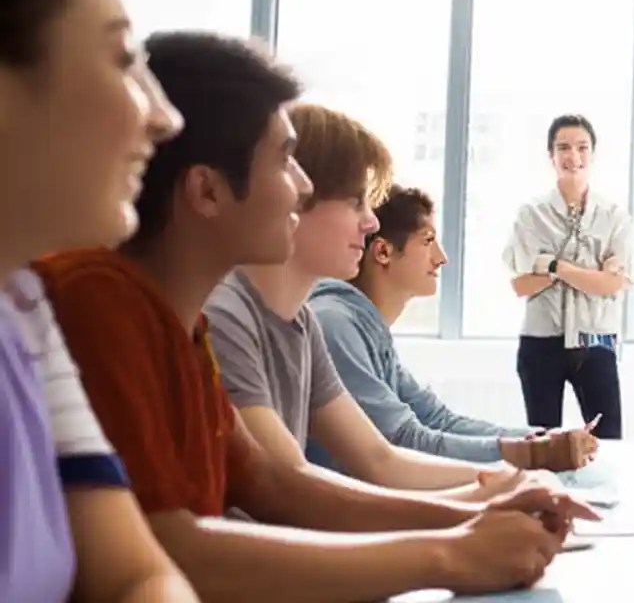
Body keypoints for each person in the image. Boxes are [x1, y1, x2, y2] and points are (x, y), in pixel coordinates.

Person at [34, 30, 596, 601]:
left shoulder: (184, 324)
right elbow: (170, 548)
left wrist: (472, 517)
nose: (300, 188)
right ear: (206, 191)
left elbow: (271, 481)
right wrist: (450, 548)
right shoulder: (103, 300)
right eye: (285, 162)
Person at [0, 0, 198, 601]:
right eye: (121, 60)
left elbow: (138, 573)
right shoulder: (91, 297)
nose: (164, 116)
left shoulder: (22, 306)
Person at [205, 102, 555, 498]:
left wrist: (507, 483)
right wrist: (486, 500)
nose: (370, 222)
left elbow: (380, 459)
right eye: (357, 202)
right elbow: (291, 487)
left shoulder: (303, 323)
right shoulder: (239, 316)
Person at [309, 184, 599, 471]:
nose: (441, 258)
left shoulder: (366, 328)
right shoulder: (336, 326)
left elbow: (438, 420)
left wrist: (541, 438)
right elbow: (404, 441)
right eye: (428, 241)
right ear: (383, 252)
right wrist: (535, 454)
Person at [504, 114, 634, 440]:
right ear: (551, 155)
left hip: (596, 340)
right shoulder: (531, 214)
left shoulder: (614, 215)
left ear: (593, 154)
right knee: (543, 444)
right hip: (541, 341)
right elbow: (521, 284)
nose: (572, 156)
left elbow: (612, 284)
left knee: (609, 440)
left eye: (581, 147)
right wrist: (591, 274)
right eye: (563, 147)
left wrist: (555, 267)